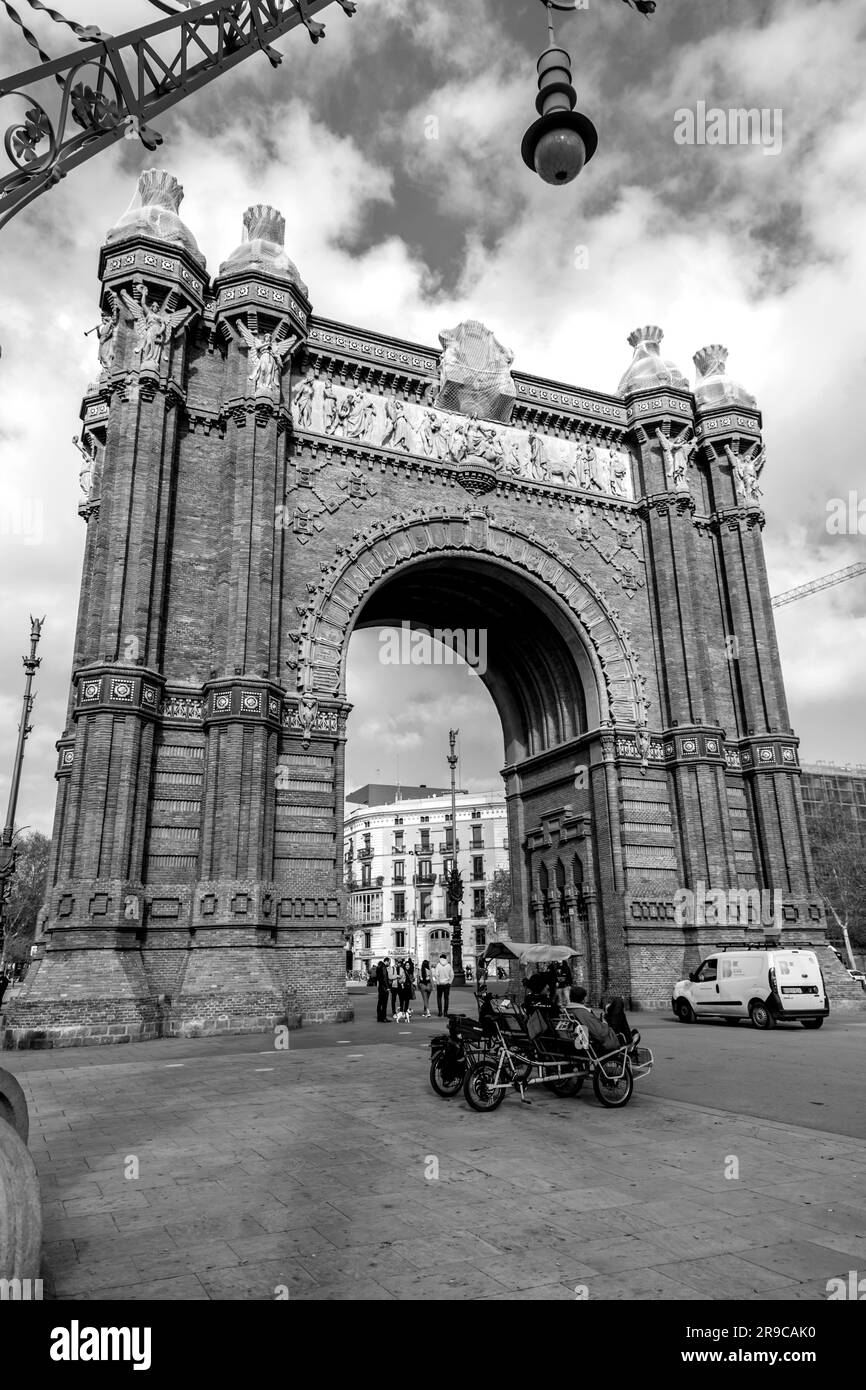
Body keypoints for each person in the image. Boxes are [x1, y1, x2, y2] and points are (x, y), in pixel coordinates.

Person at [375, 957, 391, 1023]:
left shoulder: (379, 967)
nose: (389, 964)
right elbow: (385, 978)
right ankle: (384, 1018)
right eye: (389, 962)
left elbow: (378, 978)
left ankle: (379, 1017)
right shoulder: (384, 967)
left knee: (380, 1003)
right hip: (384, 988)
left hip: (380, 987)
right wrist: (387, 987)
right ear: (386, 961)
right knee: (384, 1003)